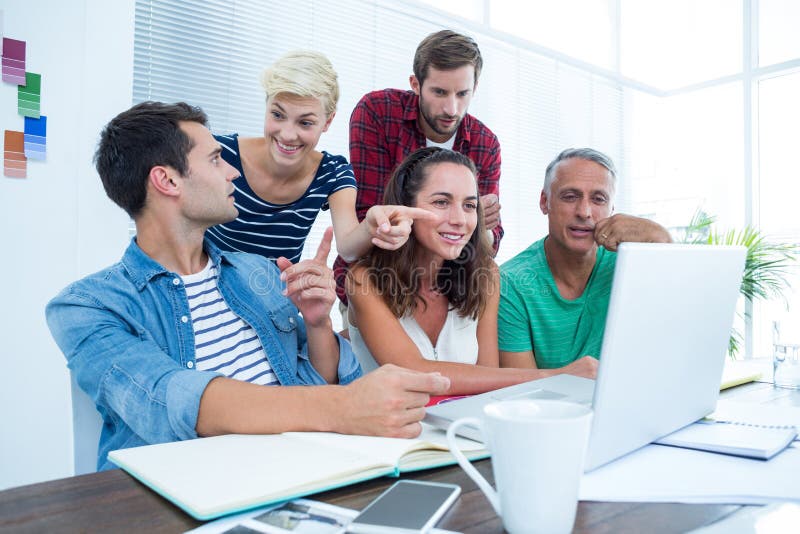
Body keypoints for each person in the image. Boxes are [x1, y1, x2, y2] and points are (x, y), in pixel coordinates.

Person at [45, 102, 450, 470]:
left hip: (300, 471)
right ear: (167, 180)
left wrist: (317, 324)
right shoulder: (87, 307)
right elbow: (171, 398)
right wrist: (346, 406)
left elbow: (322, 380)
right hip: (182, 492)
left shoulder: (256, 273)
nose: (233, 171)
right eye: (216, 159)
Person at [346, 147, 597, 396]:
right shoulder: (365, 280)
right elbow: (414, 372)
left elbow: (488, 377)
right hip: (387, 433)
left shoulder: (484, 275)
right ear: (404, 207)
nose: (459, 219)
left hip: (458, 430)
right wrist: (554, 376)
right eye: (441, 202)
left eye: (469, 205)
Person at [333, 30, 503, 314]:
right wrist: (467, 219)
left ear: (475, 87)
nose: (452, 108)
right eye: (439, 92)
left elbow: (486, 245)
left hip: (446, 292)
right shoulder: (378, 113)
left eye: (463, 94)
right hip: (376, 282)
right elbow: (369, 220)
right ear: (415, 84)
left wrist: (482, 226)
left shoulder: (486, 143)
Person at [207, 50, 429, 265]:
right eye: (277, 114)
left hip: (273, 298)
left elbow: (348, 248)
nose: (287, 134)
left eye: (305, 122)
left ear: (328, 122)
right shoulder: (218, 152)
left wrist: (370, 226)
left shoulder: (332, 173)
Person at [499, 148, 673, 371]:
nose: (584, 212)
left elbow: (676, 339)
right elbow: (522, 392)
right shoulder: (510, 283)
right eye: (570, 197)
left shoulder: (629, 267)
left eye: (598, 199)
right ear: (545, 202)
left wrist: (662, 239)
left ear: (612, 209)